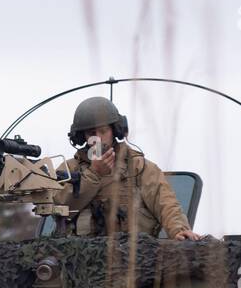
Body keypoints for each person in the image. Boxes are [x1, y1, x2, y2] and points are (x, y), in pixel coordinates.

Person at [59, 96, 201, 240]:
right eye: (91, 133)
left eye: (103, 131)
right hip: (82, 256)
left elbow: (165, 203)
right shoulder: (70, 169)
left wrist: (178, 229)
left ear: (115, 131)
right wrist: (94, 173)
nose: (98, 139)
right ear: (81, 137)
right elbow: (60, 209)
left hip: (135, 256)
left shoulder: (139, 167)